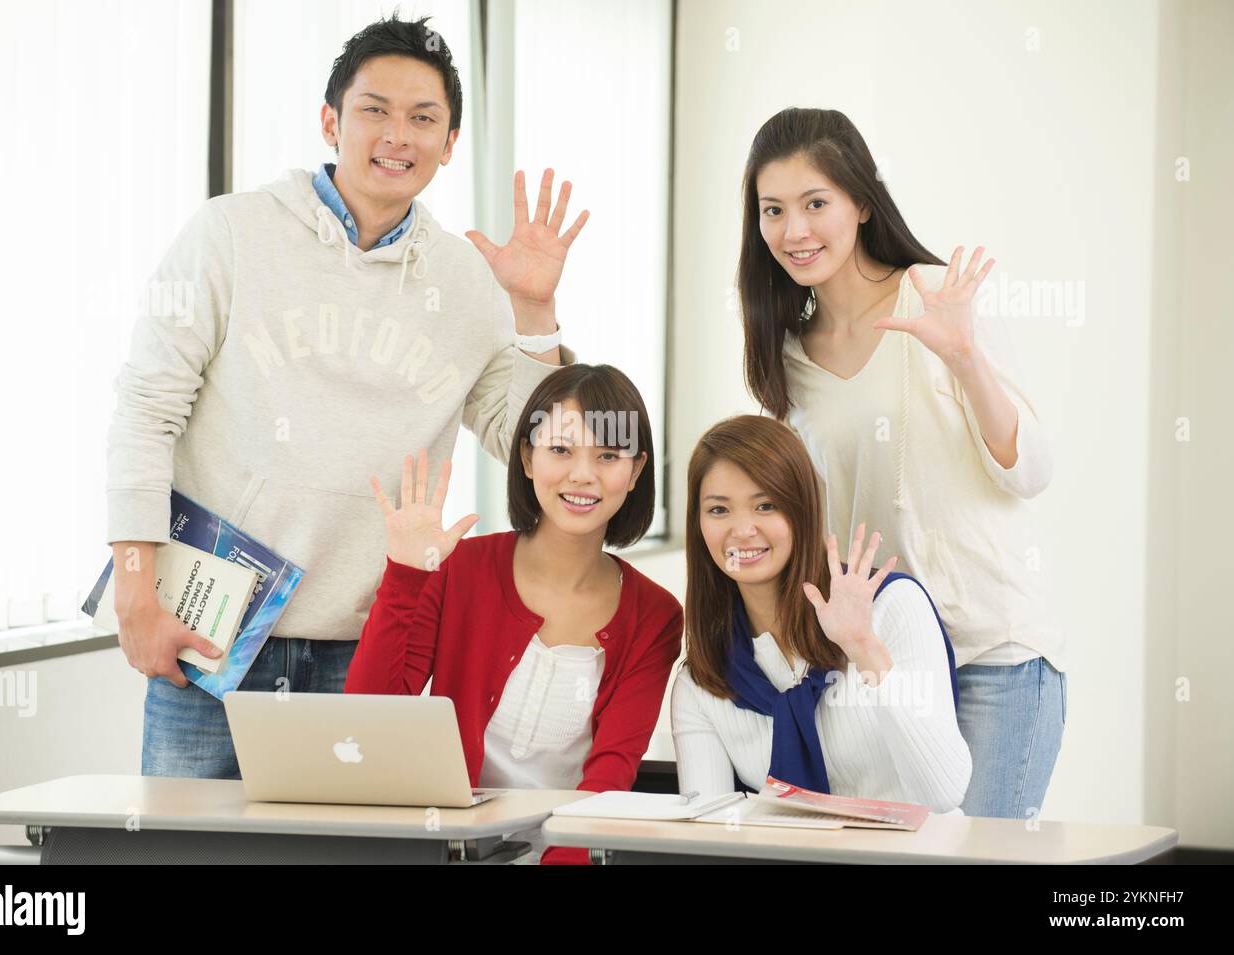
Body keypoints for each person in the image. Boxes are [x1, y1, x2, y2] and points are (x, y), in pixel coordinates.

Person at [107, 12, 587, 779]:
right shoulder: (230, 234)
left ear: (450, 144)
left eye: (423, 118)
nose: (398, 134)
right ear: (331, 120)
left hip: (370, 642)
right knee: (182, 852)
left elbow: (530, 439)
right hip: (215, 636)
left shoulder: (466, 280)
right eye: (375, 110)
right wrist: (135, 592)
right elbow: (144, 410)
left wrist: (533, 312)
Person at [734, 107, 1065, 819]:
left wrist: (965, 358)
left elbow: (1029, 470)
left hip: (992, 653)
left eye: (815, 203)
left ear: (859, 199)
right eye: (773, 210)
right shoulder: (787, 355)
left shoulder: (937, 299)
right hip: (883, 660)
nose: (794, 230)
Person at [345, 365, 684, 864]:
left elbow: (610, 775)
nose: (582, 474)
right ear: (527, 457)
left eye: (608, 455)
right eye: (561, 450)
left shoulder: (655, 615)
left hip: (569, 854)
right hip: (448, 849)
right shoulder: (460, 569)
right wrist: (404, 575)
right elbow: (371, 716)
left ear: (635, 472)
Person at [672, 415, 971, 812]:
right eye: (718, 510)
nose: (742, 530)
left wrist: (863, 648)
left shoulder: (893, 608)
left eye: (765, 505)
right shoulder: (702, 683)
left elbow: (944, 793)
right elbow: (705, 833)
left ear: (802, 511)